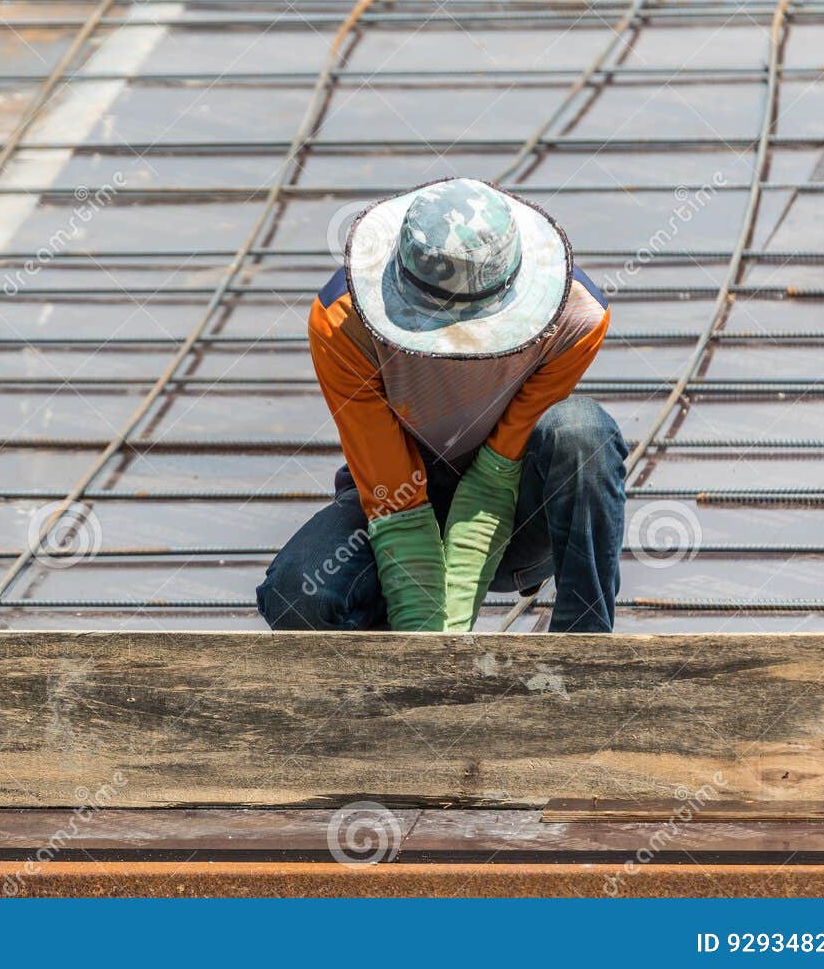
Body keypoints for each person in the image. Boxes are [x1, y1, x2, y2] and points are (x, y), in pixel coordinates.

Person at [257, 177, 625, 633]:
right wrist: (430, 660)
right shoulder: (342, 323)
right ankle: (380, 690)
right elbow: (397, 505)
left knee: (582, 433)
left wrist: (449, 634)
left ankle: (583, 664)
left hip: (517, 508)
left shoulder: (578, 318)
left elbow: (494, 478)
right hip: (393, 495)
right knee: (299, 592)